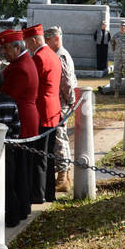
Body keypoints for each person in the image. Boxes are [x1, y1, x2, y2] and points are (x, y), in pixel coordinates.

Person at [0, 28, 39, 226]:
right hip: (23, 118)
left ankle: (19, 209)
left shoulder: (20, 67)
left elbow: (8, 96)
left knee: (19, 170)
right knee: (21, 168)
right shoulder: (20, 62)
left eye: (6, 48)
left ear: (16, 47)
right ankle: (22, 207)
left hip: (22, 121)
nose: (3, 52)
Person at [23, 24, 61, 202]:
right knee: (49, 155)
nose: (26, 47)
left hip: (42, 110)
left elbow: (32, 85)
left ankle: (38, 194)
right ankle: (49, 192)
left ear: (33, 41)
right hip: (53, 109)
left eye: (27, 43)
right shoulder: (53, 55)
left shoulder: (38, 57)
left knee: (39, 155)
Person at [45, 26, 76, 192]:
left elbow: (67, 82)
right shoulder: (59, 54)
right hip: (59, 102)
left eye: (48, 40)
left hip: (61, 103)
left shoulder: (60, 55)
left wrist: (71, 100)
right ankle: (63, 174)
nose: (46, 43)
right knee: (59, 137)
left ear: (55, 39)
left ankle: (63, 176)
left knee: (60, 138)